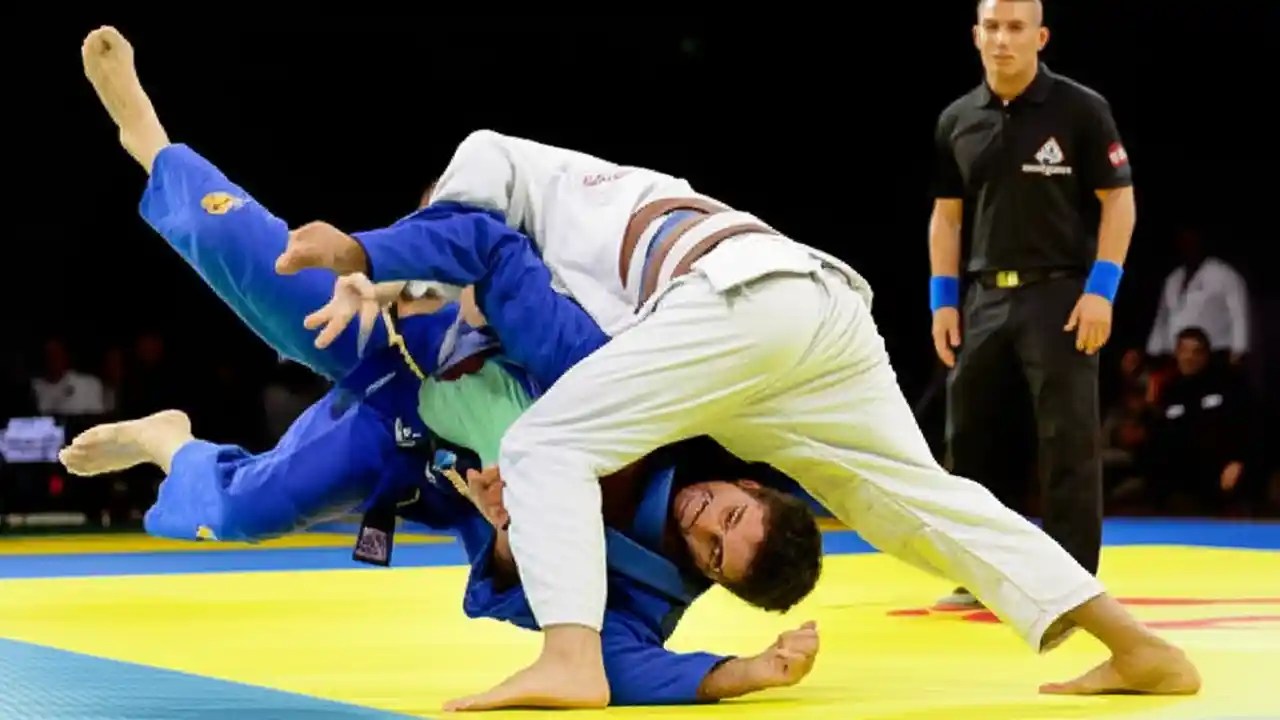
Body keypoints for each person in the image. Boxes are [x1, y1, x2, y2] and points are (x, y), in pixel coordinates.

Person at [276, 58, 1197, 719]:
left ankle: (570, 657)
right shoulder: (601, 201)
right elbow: (463, 261)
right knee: (917, 504)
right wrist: (392, 281)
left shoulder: (515, 172)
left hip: (736, 306)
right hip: (814, 315)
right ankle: (1136, 645)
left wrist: (370, 252)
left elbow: (466, 217)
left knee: (545, 446)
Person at [66, 26, 823, 707]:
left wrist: (740, 673)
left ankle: (167, 442)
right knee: (262, 261)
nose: (703, 528)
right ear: (746, 483)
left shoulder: (652, 592)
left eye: (716, 555)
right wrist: (392, 274)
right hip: (411, 337)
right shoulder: (641, 386)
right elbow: (497, 252)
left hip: (412, 457)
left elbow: (608, 666)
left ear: (713, 579)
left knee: (245, 513)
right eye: (728, 514)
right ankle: (147, 134)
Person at [926, 0, 1136, 608]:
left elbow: (1119, 202)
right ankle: (983, 574)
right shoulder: (956, 119)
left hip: (1061, 294)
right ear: (975, 34)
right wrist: (944, 301)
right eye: (991, 27)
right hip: (985, 294)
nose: (1002, 39)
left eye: (1016, 28)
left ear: (1040, 36)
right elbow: (946, 216)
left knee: (1066, 437)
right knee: (971, 439)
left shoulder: (1080, 109)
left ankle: (1071, 584)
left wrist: (1102, 291)